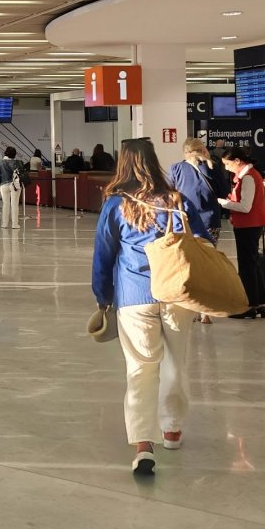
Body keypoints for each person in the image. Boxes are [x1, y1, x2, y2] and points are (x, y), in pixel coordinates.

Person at [91, 137, 209, 476]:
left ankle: (144, 445)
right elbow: (203, 242)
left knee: (141, 369)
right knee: (176, 361)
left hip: (133, 296)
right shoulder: (176, 200)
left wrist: (102, 295)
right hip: (176, 294)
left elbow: (104, 254)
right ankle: (172, 428)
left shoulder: (116, 204)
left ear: (123, 163)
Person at [219, 146, 265, 320]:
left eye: (227, 164)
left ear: (237, 161)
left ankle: (248, 305)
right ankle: (256, 301)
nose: (226, 168)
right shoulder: (246, 177)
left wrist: (223, 203)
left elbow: (245, 206)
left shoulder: (248, 177)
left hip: (249, 225)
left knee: (247, 265)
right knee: (251, 263)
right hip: (249, 225)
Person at [168, 139, 225, 245]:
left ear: (185, 152)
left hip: (185, 219)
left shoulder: (176, 169)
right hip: (210, 220)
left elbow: (169, 193)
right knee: (208, 255)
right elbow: (223, 192)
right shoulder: (213, 167)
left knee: (188, 255)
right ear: (203, 150)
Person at [0, 147, 24, 230]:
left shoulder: (0, 162)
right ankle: (15, 224)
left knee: (5, 204)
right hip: (15, 185)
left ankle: (5, 224)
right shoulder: (18, 162)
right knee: (14, 204)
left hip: (3, 185)